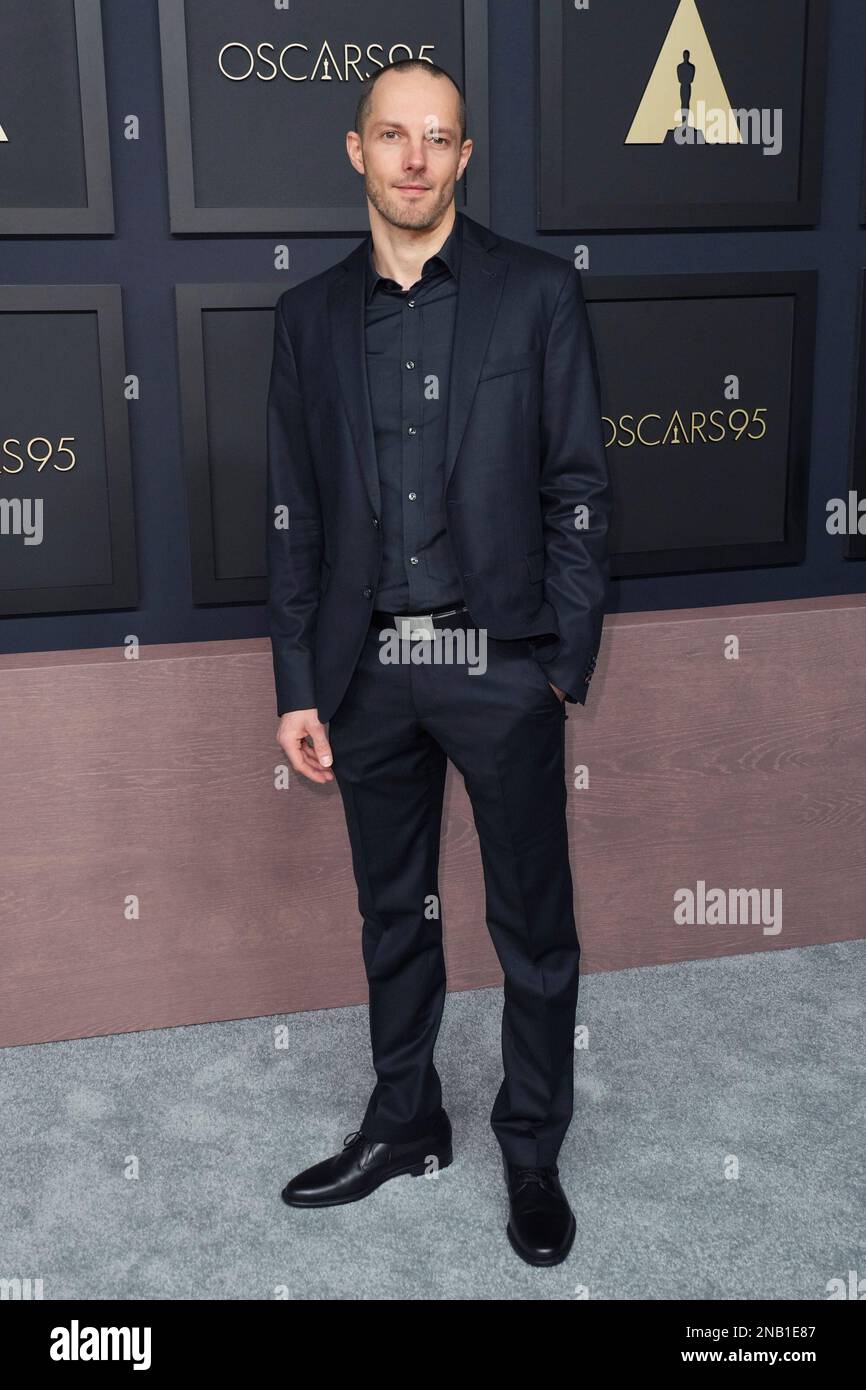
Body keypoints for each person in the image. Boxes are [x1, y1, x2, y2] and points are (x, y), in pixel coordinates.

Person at [266, 57, 611, 1267]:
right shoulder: (306, 316)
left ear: (464, 158)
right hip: (364, 673)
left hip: (495, 662)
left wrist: (558, 663)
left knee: (532, 923)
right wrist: (297, 683)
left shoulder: (533, 295)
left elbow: (576, 489)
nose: (416, 158)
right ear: (355, 151)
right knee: (391, 913)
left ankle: (529, 1146)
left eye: (440, 138)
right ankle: (406, 1119)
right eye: (392, 135)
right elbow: (295, 517)